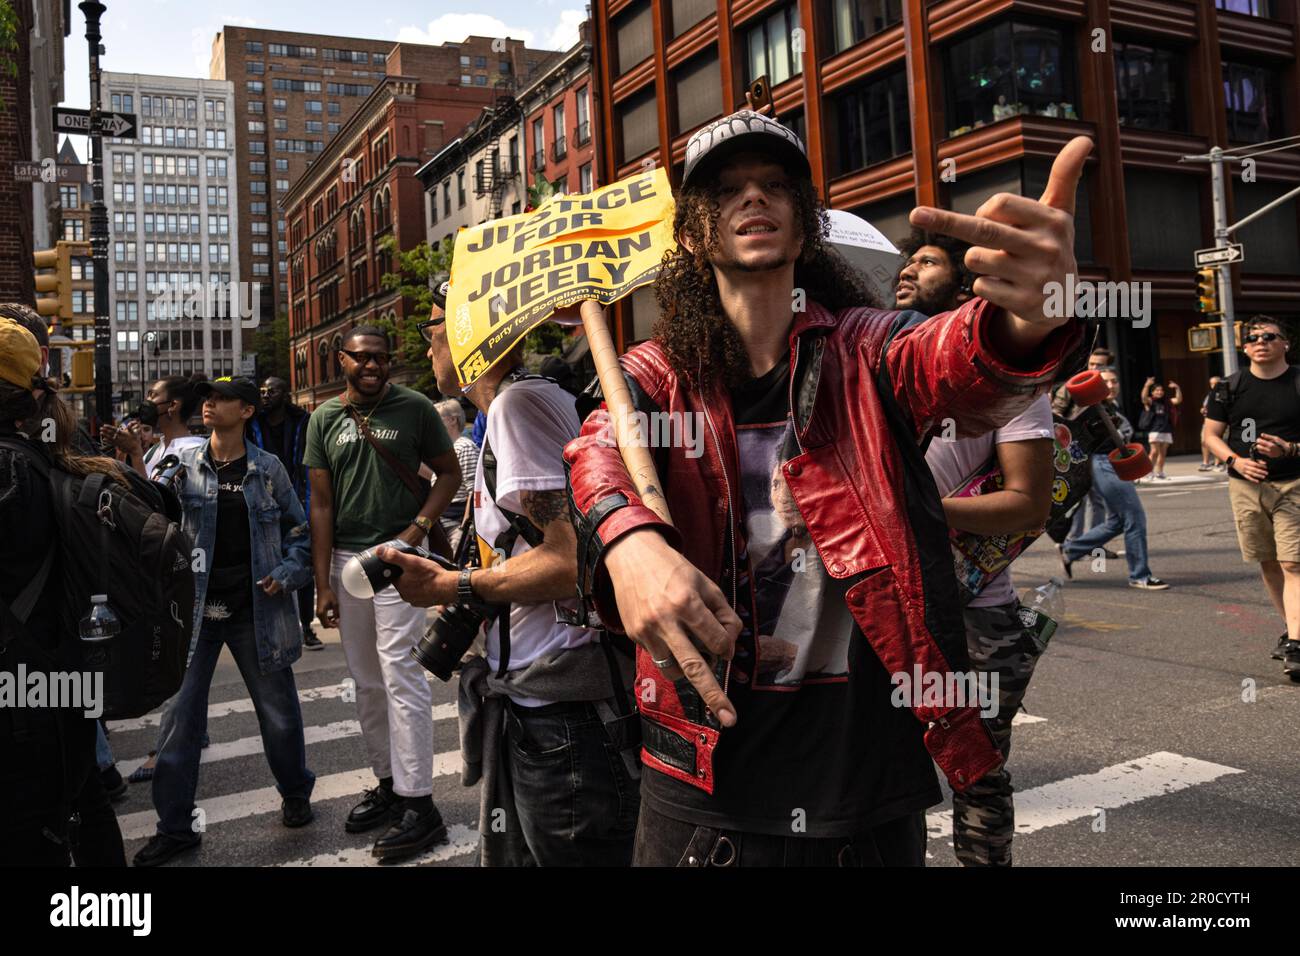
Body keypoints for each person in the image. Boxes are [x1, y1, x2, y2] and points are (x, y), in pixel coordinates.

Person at [564, 110, 1088, 866]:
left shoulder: (872, 350)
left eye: (775, 186)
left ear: (805, 224)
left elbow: (964, 359)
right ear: (689, 233)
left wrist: (1029, 319)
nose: (754, 200)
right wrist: (629, 542)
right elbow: (595, 455)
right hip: (702, 777)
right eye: (727, 190)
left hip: (862, 782)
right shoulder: (651, 376)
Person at [378, 308, 640, 867]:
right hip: (544, 703)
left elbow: (571, 561)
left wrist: (454, 584)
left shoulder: (515, 407)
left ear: (471, 331)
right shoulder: (528, 400)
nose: (428, 349)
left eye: (433, 332)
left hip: (561, 714)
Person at [895, 229, 1055, 866]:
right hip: (884, 602)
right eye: (909, 257)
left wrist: (916, 510)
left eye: (928, 260)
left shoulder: (1008, 383)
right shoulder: (876, 364)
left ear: (965, 286)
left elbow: (1028, 504)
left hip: (975, 616)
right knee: (882, 770)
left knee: (977, 771)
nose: (910, 267)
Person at [131, 377, 315, 866]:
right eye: (207, 398)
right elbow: (151, 522)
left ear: (247, 411)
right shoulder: (181, 467)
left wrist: (287, 572)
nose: (209, 405)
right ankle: (174, 826)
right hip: (192, 615)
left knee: (278, 713)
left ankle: (296, 791)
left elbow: (300, 532)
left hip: (256, 609)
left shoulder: (268, 469)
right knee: (179, 719)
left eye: (222, 399)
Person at [305, 325, 461, 860]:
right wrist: (321, 580)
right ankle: (391, 784)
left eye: (380, 358)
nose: (372, 366)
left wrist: (416, 532)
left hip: (397, 558)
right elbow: (320, 504)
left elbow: (448, 474)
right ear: (340, 360)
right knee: (366, 682)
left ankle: (421, 804)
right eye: (361, 358)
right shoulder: (324, 418)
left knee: (401, 675)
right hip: (348, 563)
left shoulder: (415, 406)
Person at [0, 318, 126, 866]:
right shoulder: (49, 463)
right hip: (59, 697)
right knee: (84, 814)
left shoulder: (9, 469)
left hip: (20, 713)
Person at [1203, 316, 1300, 676]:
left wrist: (1288, 449)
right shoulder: (1229, 386)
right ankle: (1293, 630)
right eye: (1253, 338)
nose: (1261, 342)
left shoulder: (1297, 381)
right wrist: (1236, 461)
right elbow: (1211, 434)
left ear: (1284, 343)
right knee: (1269, 561)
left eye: (1269, 337)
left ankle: (1297, 645)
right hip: (1245, 487)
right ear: (1245, 347)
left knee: (1293, 563)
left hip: (1294, 483)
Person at [1057, 369, 1167, 590]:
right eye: (1106, 381)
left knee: (1118, 520)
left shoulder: (1111, 406)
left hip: (1113, 463)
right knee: (1134, 517)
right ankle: (1140, 575)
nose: (1112, 384)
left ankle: (1072, 549)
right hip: (1101, 463)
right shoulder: (1087, 408)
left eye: (1115, 380)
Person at [248, 376, 321, 650]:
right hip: (264, 499)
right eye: (263, 391)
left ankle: (306, 627)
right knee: (266, 563)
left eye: (273, 391)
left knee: (302, 563)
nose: (266, 395)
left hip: (298, 496)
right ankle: (269, 628)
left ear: (286, 393)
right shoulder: (254, 422)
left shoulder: (302, 421)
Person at [1054, 347, 1114, 553]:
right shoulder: (1072, 386)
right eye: (1093, 364)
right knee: (1075, 498)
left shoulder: (1108, 385)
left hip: (1098, 449)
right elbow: (1057, 414)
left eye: (1101, 365)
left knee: (1097, 499)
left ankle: (1091, 543)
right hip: (1075, 449)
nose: (1096, 368)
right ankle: (1072, 541)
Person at [104, 373, 207, 479]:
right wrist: (122, 452)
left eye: (153, 395)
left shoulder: (196, 452)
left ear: (173, 405)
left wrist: (135, 453)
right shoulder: (153, 451)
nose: (147, 401)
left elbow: (152, 494)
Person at [434, 398, 478, 552]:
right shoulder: (446, 450)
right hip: (442, 519)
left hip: (456, 521)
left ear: (453, 420)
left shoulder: (464, 447)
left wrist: (464, 526)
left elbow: (473, 491)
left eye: (436, 419)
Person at [1139, 378, 1181, 480]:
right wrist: (1146, 385)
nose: (1160, 392)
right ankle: (1148, 472)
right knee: (1154, 452)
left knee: (1163, 453)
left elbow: (1178, 400)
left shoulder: (1167, 401)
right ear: (1153, 392)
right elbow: (1144, 398)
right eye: (1157, 390)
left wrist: (1177, 388)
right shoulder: (1151, 401)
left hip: (1166, 429)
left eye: (1161, 390)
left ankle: (1160, 472)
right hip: (1155, 430)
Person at [1200, 376, 1223, 471]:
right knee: (1204, 441)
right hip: (1207, 421)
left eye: (1215, 383)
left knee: (1217, 442)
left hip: (1219, 422)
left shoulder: (1223, 394)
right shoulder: (1209, 395)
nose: (1213, 385)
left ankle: (1218, 463)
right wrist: (1203, 410)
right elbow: (1205, 407)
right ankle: (1206, 463)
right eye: (1211, 383)